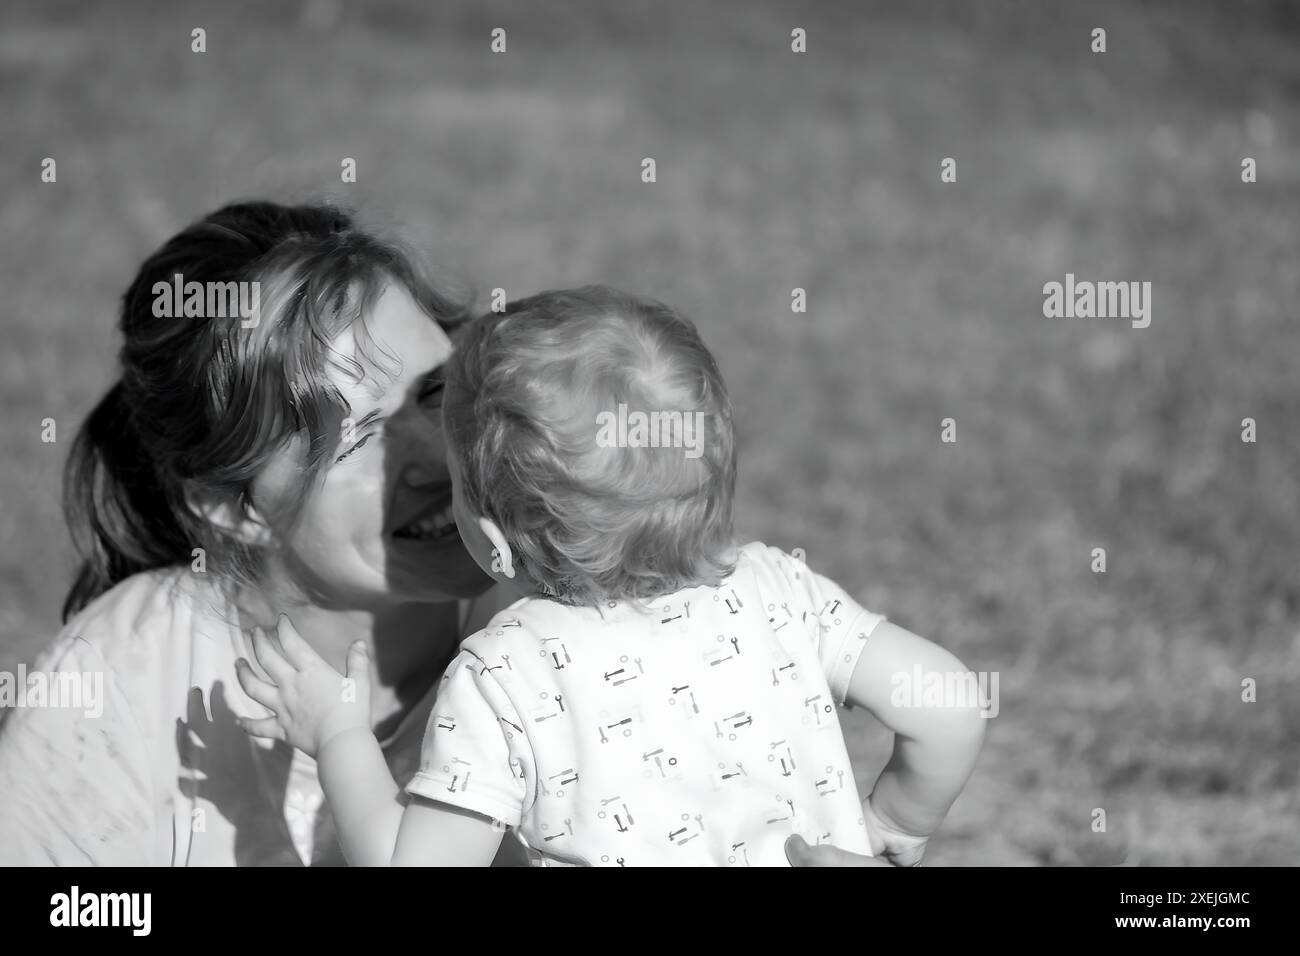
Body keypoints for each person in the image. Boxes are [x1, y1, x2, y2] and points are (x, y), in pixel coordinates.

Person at [237, 286, 986, 866]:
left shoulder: (506, 673)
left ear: (493, 542)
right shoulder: (779, 589)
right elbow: (950, 702)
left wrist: (338, 733)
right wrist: (894, 820)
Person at [0, 200, 527, 865]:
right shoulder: (111, 695)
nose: (438, 457)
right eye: (356, 438)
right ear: (229, 505)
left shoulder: (583, 606)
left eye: (435, 391)